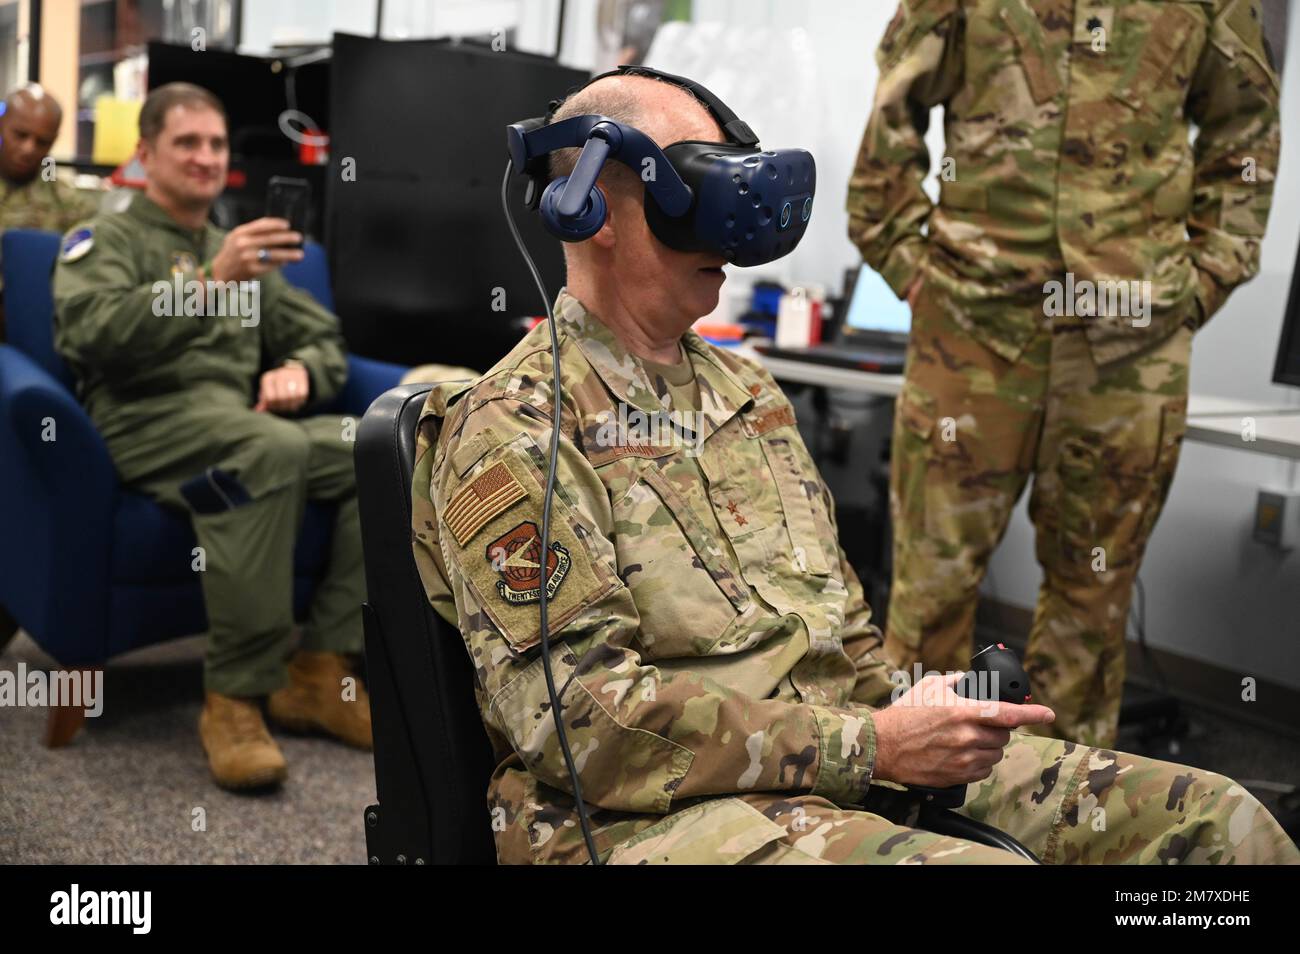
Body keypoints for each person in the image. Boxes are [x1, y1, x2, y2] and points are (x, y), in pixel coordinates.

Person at [410, 72, 1297, 865]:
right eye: (698, 187)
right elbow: (584, 731)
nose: (732, 225)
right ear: (591, 207)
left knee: (1221, 824)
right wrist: (873, 745)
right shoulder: (516, 428)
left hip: (834, 762)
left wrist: (922, 708)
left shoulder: (747, 396)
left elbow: (844, 644)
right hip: (631, 819)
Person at [847, 0, 1281, 747]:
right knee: (930, 596)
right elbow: (893, 114)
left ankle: (1062, 816)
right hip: (975, 332)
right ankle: (911, 817)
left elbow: (1247, 128)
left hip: (1129, 347)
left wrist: (1203, 281)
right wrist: (915, 271)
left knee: (1093, 602)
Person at [52, 82, 371, 791]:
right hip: (142, 422)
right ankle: (233, 697)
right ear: (144, 152)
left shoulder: (239, 248)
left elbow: (322, 340)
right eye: (186, 142)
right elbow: (89, 334)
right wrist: (206, 282)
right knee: (270, 448)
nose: (205, 157)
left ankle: (320, 669)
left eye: (216, 144)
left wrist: (299, 371)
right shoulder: (104, 239)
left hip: (233, 421)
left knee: (372, 450)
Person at [0, 84, 97, 338]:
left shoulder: (69, 205)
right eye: (20, 135)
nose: (29, 149)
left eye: (42, 142)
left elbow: (87, 278)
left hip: (37, 328)